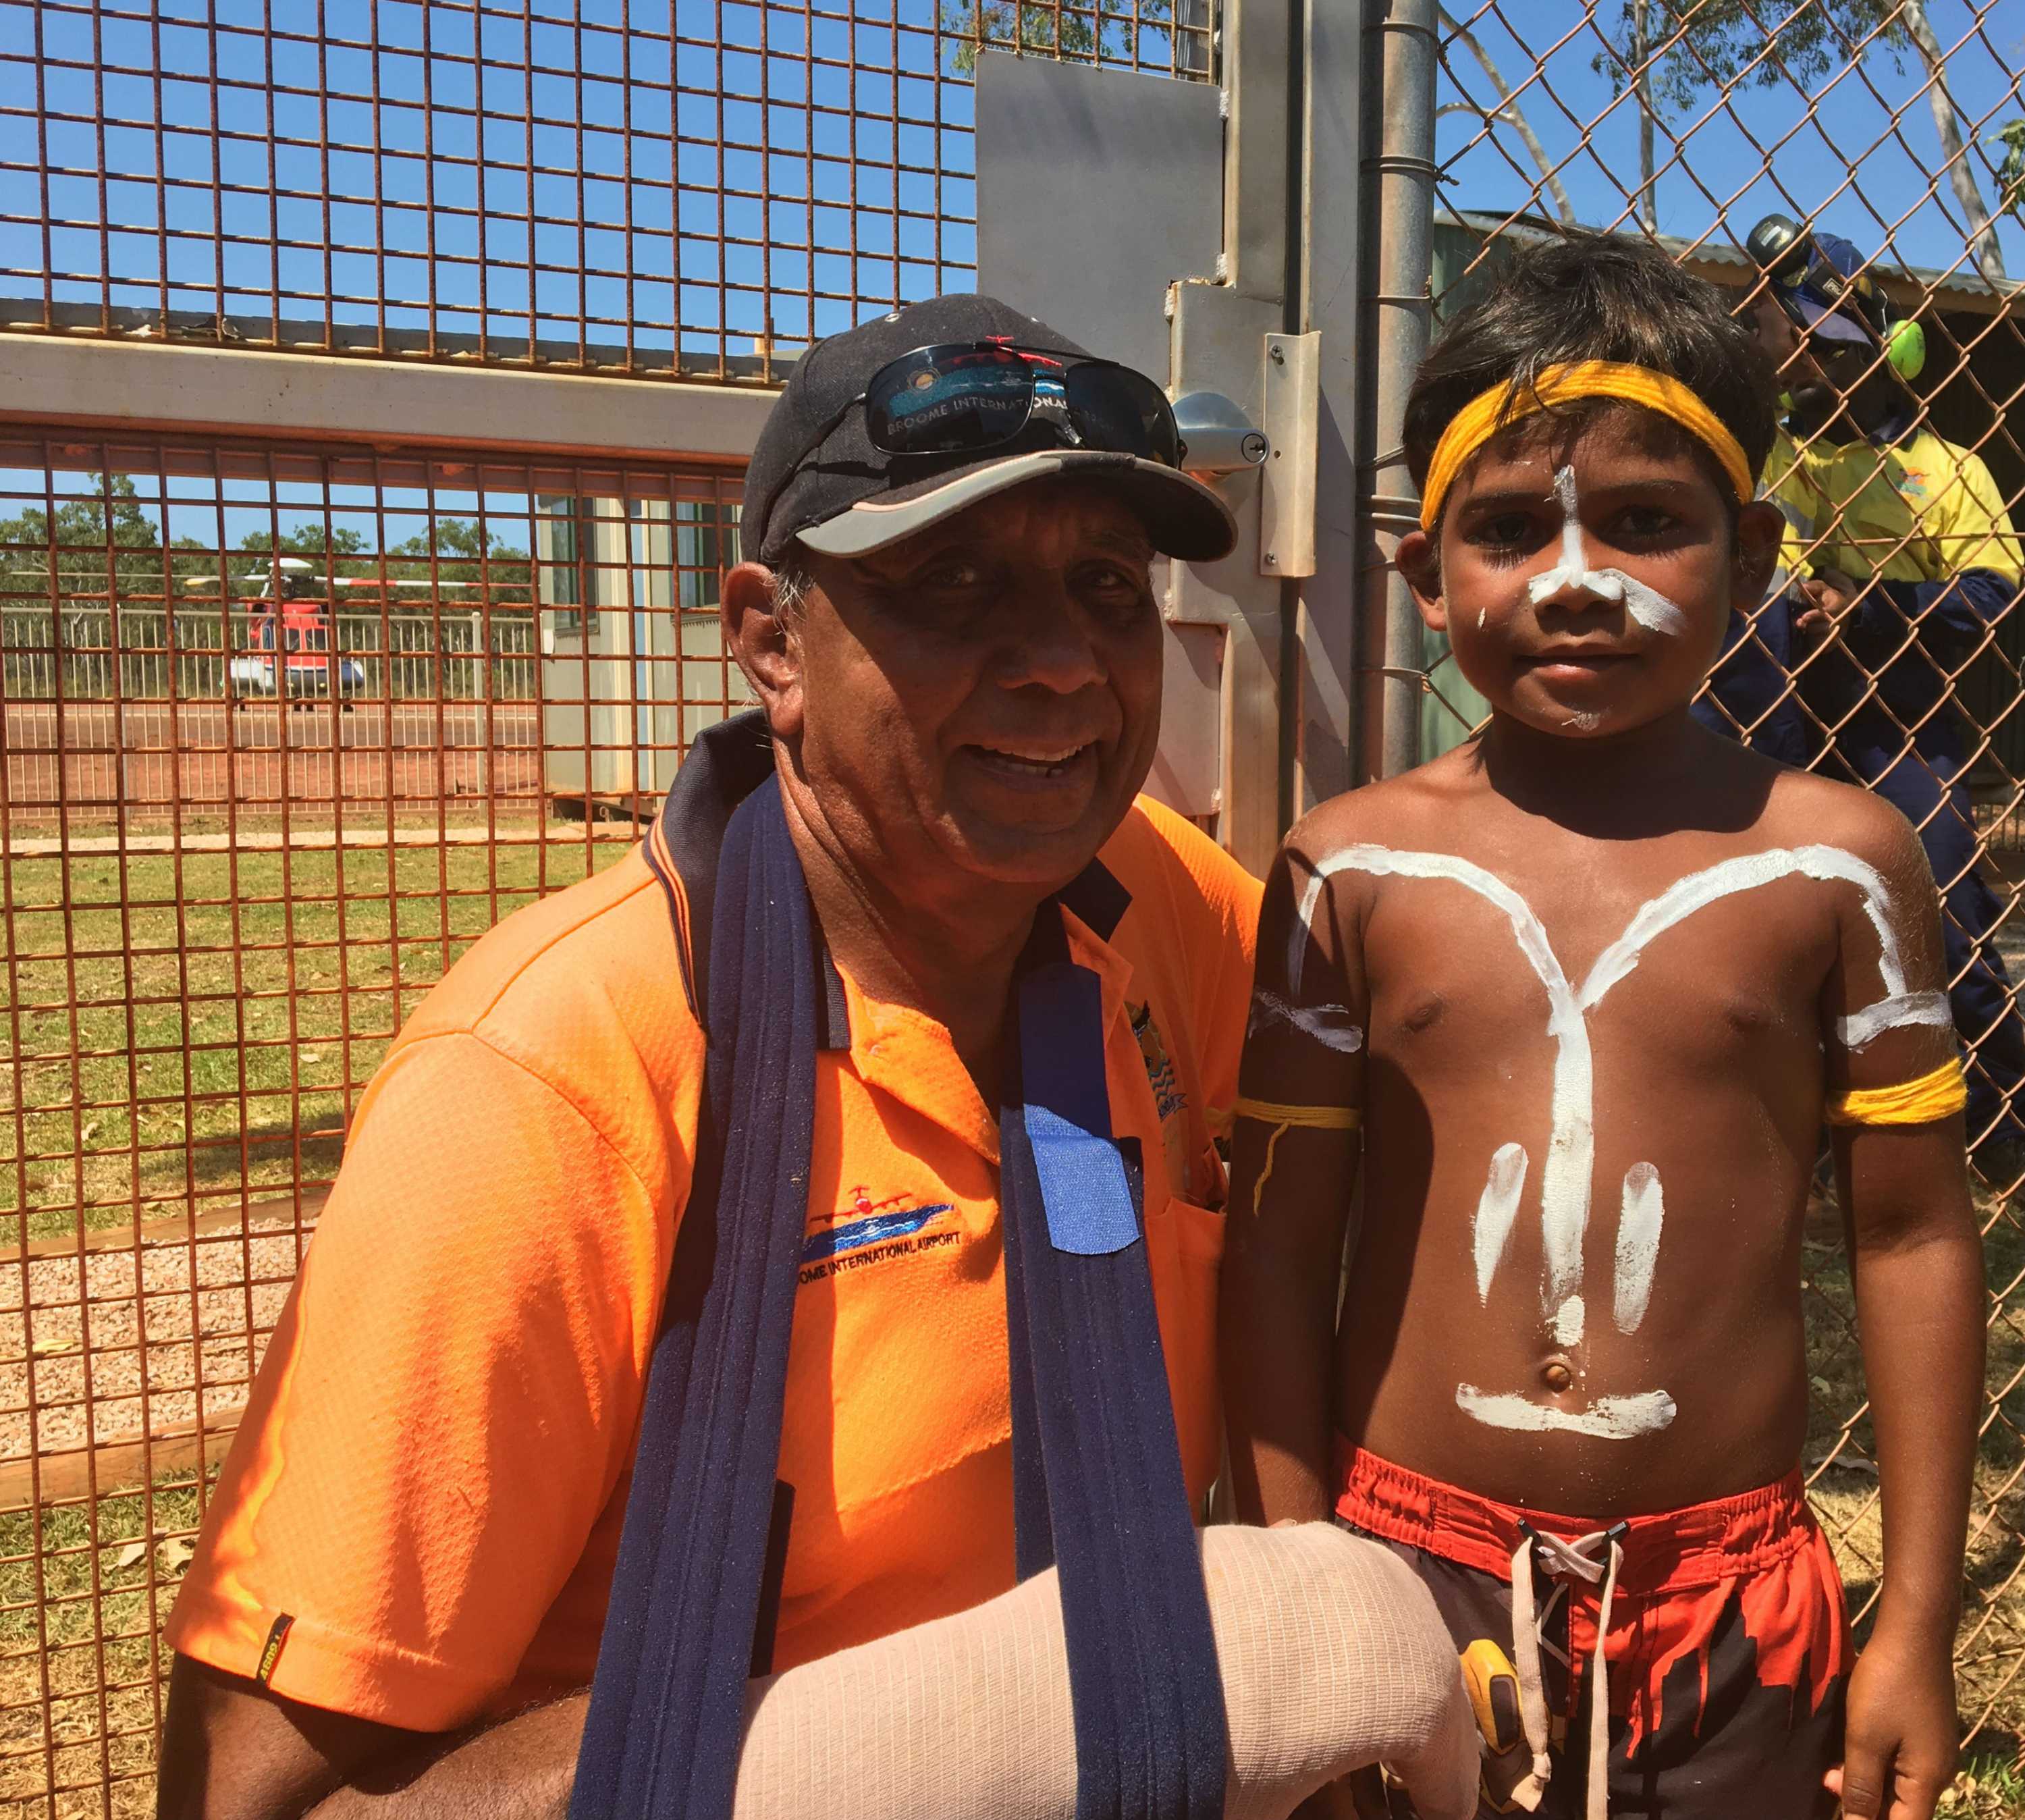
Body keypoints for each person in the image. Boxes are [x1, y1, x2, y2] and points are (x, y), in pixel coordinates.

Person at [155, 294, 1476, 1820]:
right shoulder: (546, 1090)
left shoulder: (1154, 907)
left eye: (1110, 586)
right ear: (771, 643)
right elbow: (262, 1804)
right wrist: (979, 1722)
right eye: (956, 582)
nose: (1061, 663)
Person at [1222, 234, 1985, 1819]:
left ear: (1755, 553)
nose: (1576, 579)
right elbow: (1281, 1248)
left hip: (1734, 1611)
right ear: (1425, 572)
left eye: (1647, 522)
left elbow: (1912, 1237)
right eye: (1506, 530)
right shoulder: (1346, 866)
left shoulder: (1838, 862)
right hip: (1404, 1582)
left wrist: (1912, 1619)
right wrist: (1307, 1586)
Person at [1731, 220, 2025, 1170]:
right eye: (1793, 336)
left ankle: (2001, 1131)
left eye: (1828, 340)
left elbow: (1992, 591)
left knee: (1941, 922)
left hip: (1896, 722)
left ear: (1881, 348)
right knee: (1771, 938)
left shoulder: (1944, 468)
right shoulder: (1757, 455)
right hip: (1770, 724)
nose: (1808, 358)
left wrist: (1871, 604)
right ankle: (1802, 1143)